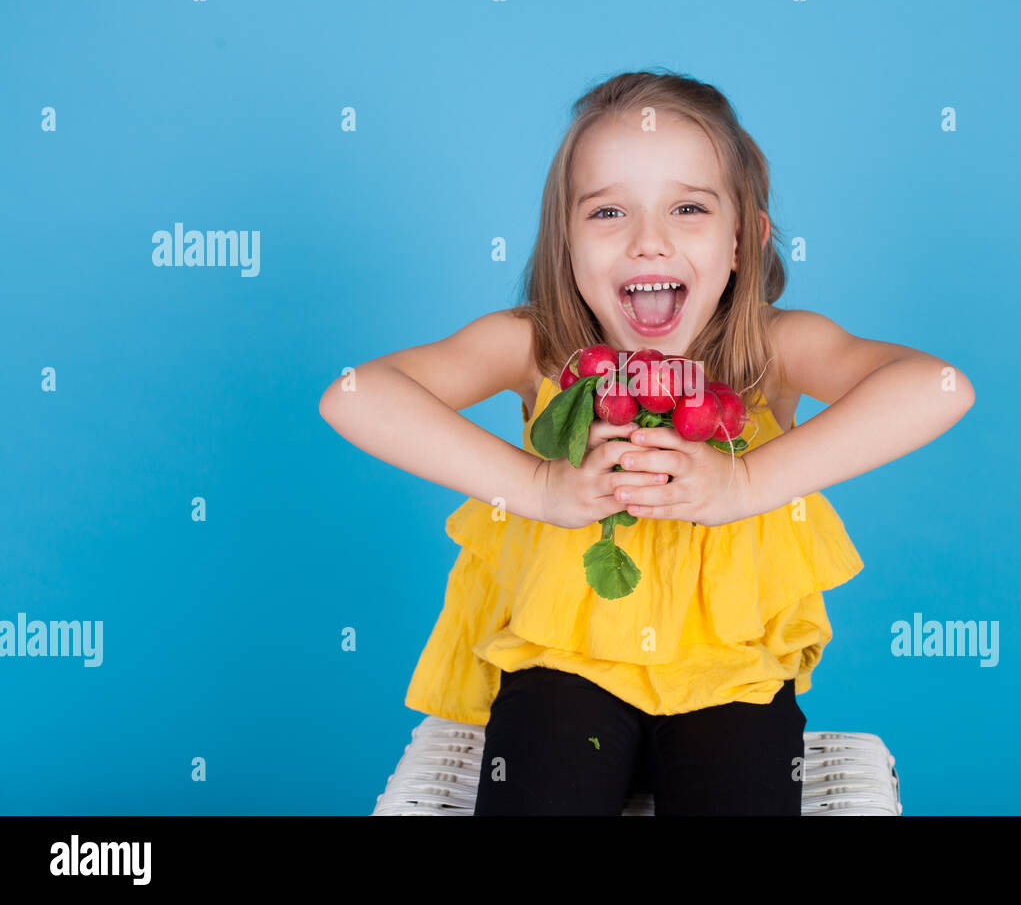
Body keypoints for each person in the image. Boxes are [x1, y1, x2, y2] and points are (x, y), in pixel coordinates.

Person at [319, 69, 975, 815]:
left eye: (689, 208)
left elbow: (939, 386)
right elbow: (354, 396)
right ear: (564, 243)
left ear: (743, 240)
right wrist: (537, 486)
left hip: (731, 679)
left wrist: (747, 483)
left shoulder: (773, 350)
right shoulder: (539, 347)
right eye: (607, 213)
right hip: (563, 672)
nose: (648, 241)